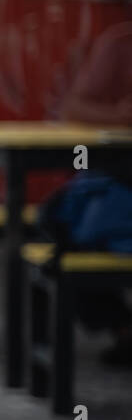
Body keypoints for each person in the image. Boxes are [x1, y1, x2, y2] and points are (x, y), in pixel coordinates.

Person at [47, 23, 132, 363]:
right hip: (119, 191)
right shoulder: (120, 45)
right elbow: (72, 110)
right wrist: (118, 116)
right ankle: (123, 329)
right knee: (65, 230)